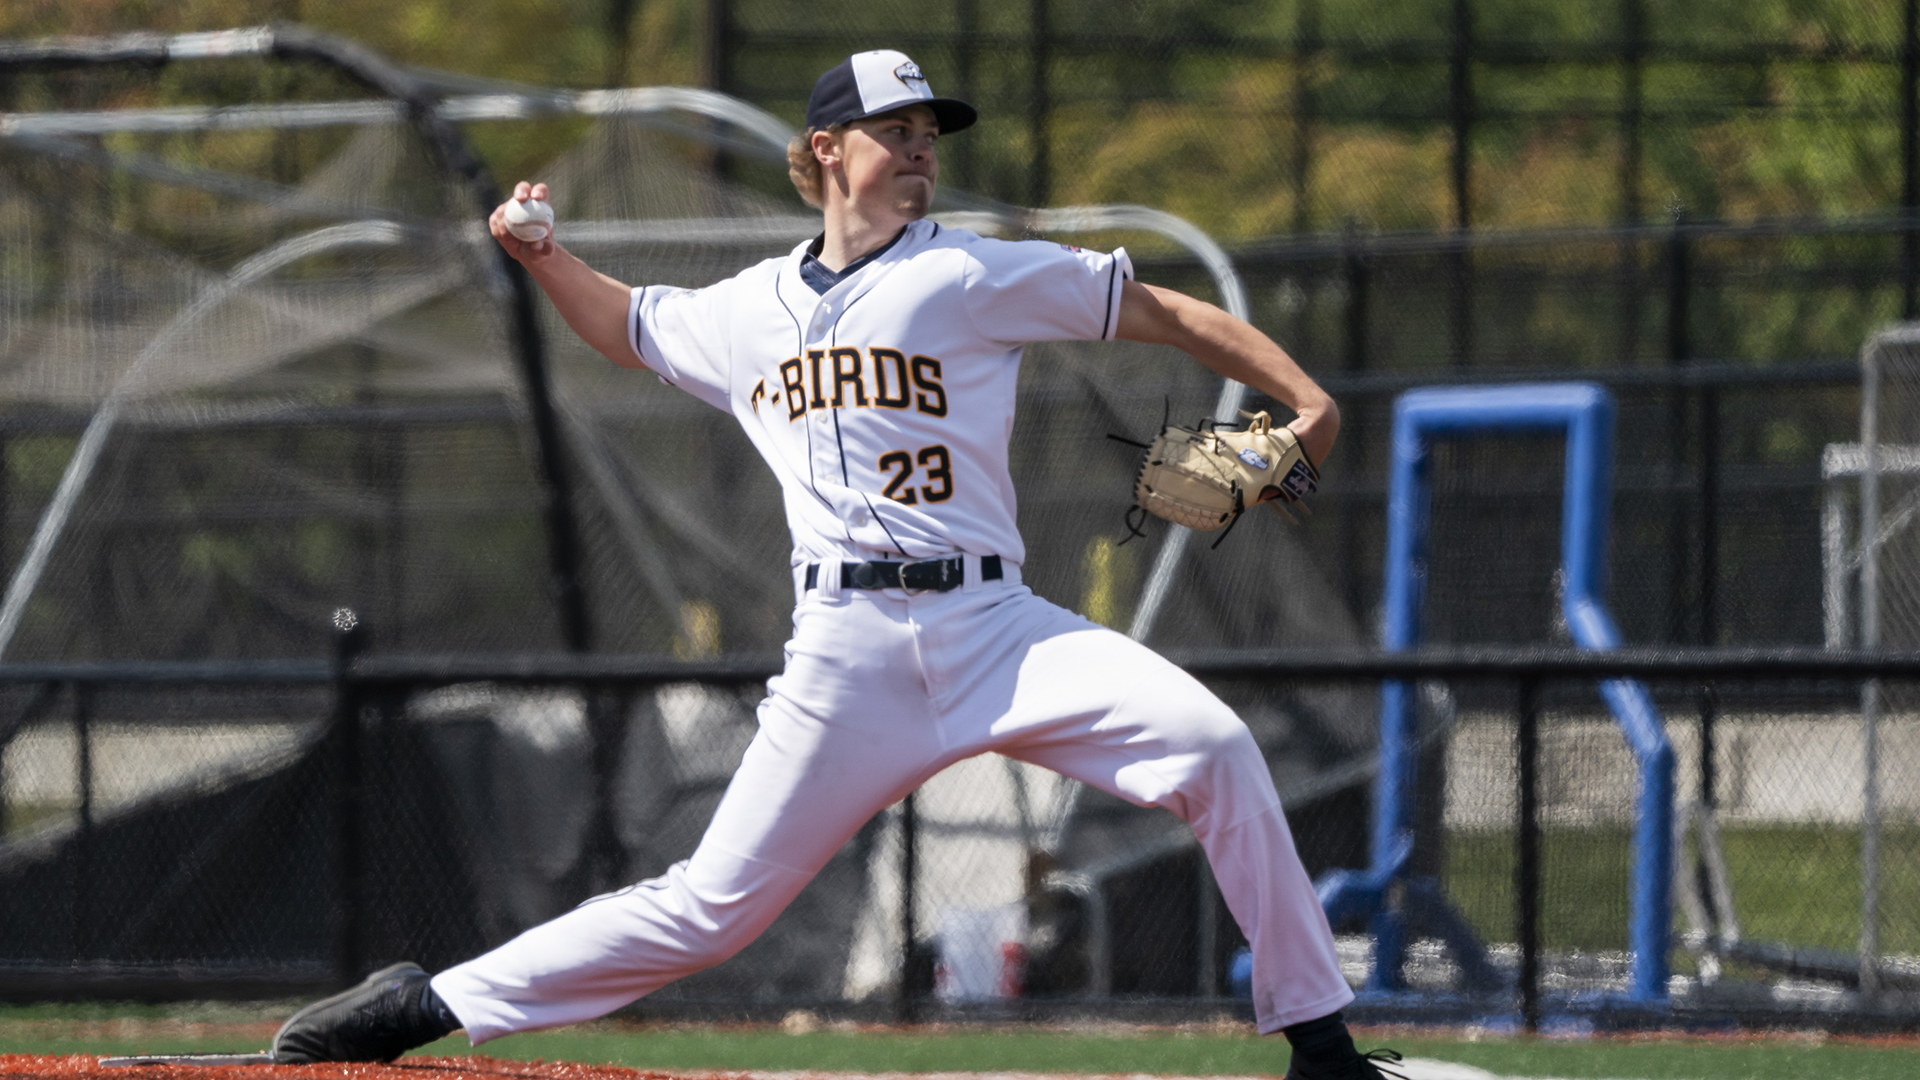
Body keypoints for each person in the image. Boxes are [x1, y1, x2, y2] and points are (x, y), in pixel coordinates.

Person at [273, 49, 1397, 1080]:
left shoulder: (968, 272)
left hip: (997, 628)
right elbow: (628, 328)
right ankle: (428, 1004)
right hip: (845, 655)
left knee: (1215, 747)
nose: (918, 148)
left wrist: (1302, 402)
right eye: (893, 128)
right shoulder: (749, 311)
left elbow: (1159, 309)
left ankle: (1322, 1048)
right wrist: (544, 254)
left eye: (928, 132)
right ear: (825, 151)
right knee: (711, 908)